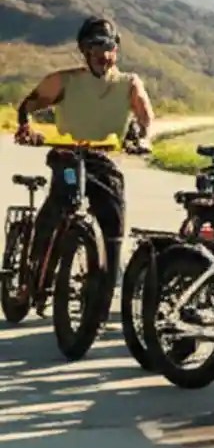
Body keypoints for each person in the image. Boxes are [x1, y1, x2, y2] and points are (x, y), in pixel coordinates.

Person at [12, 16, 154, 302]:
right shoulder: (65, 80)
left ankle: (106, 288)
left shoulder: (129, 83)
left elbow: (145, 117)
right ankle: (30, 276)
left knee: (114, 216)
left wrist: (142, 137)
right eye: (96, 47)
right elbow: (29, 105)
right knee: (60, 203)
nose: (105, 54)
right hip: (68, 155)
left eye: (110, 47)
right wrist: (26, 127)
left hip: (105, 160)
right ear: (85, 50)